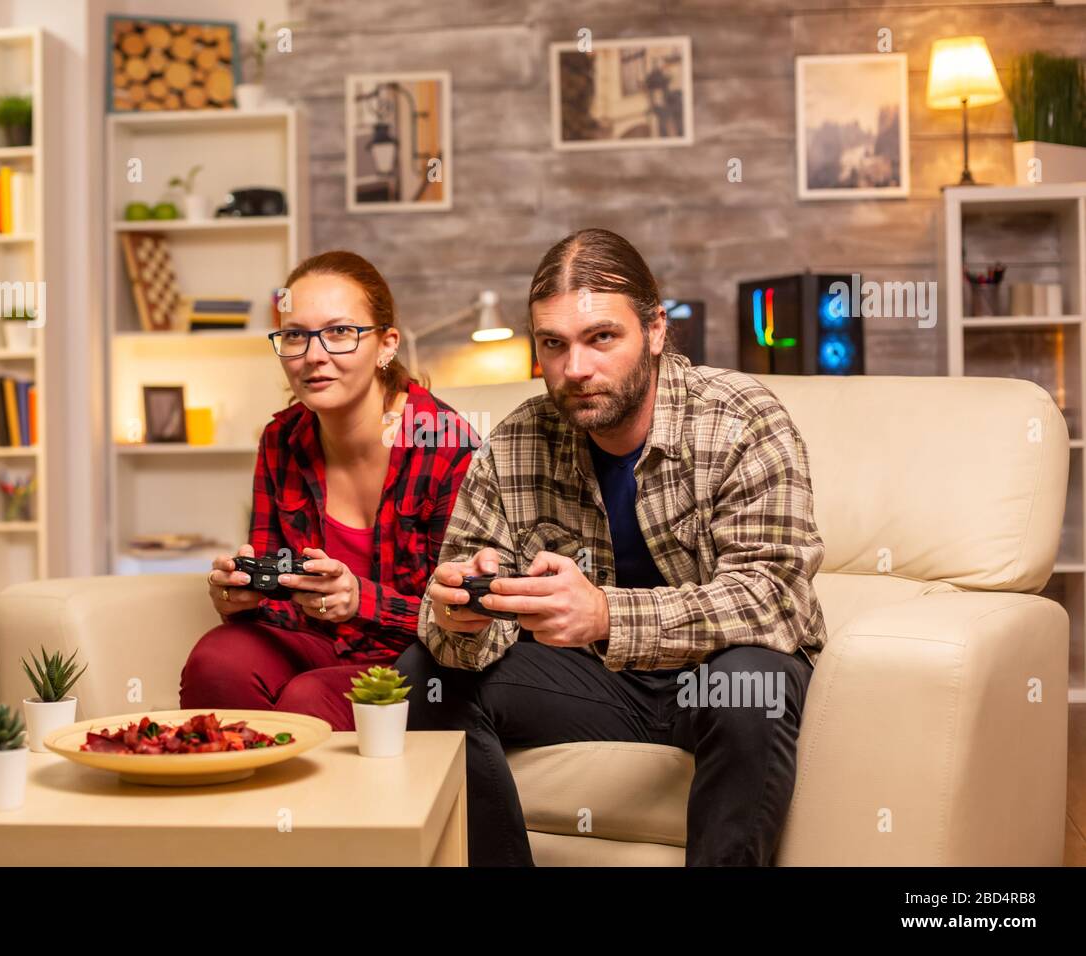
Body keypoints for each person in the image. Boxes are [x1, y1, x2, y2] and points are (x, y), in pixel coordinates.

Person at [398, 228, 827, 866]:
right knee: (420, 678)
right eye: (553, 345)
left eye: (602, 337)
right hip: (598, 685)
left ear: (655, 330)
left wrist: (604, 614)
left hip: (712, 678)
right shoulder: (517, 442)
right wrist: (461, 614)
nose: (575, 369)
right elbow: (459, 619)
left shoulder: (742, 418)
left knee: (752, 682)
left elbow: (773, 598)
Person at [180, 251, 477, 730]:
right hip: (319, 644)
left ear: (386, 345)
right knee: (216, 659)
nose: (313, 356)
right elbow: (278, 596)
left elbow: (464, 618)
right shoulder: (280, 440)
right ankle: (232, 800)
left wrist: (361, 599)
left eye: (340, 332)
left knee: (309, 697)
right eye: (295, 335)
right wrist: (242, 595)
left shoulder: (444, 444)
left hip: (423, 661)